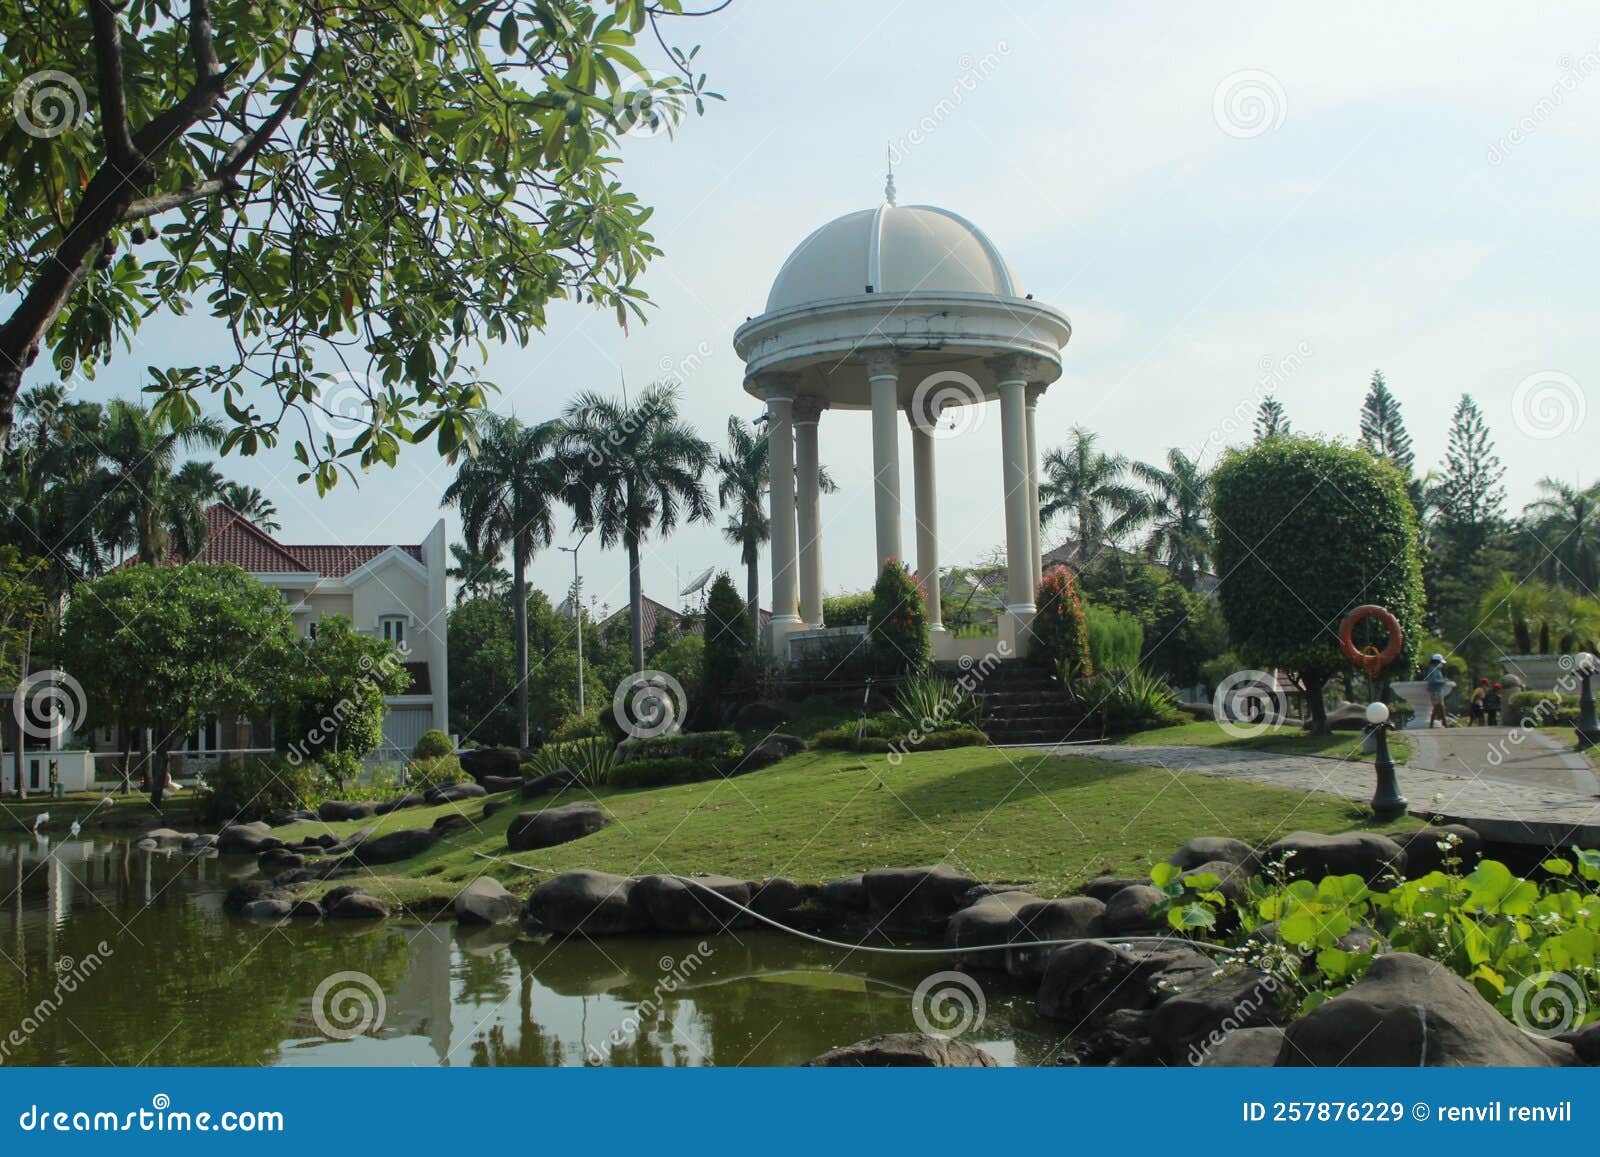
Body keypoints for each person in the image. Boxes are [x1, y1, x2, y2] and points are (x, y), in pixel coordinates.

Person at [1424, 653, 1451, 728]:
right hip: (1435, 691)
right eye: (1440, 662)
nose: (1441, 664)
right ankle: (1442, 722)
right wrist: (1443, 681)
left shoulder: (1436, 669)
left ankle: (1439, 723)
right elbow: (1432, 680)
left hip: (1438, 690)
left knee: (1439, 707)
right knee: (1438, 706)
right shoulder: (1432, 669)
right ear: (1436, 662)